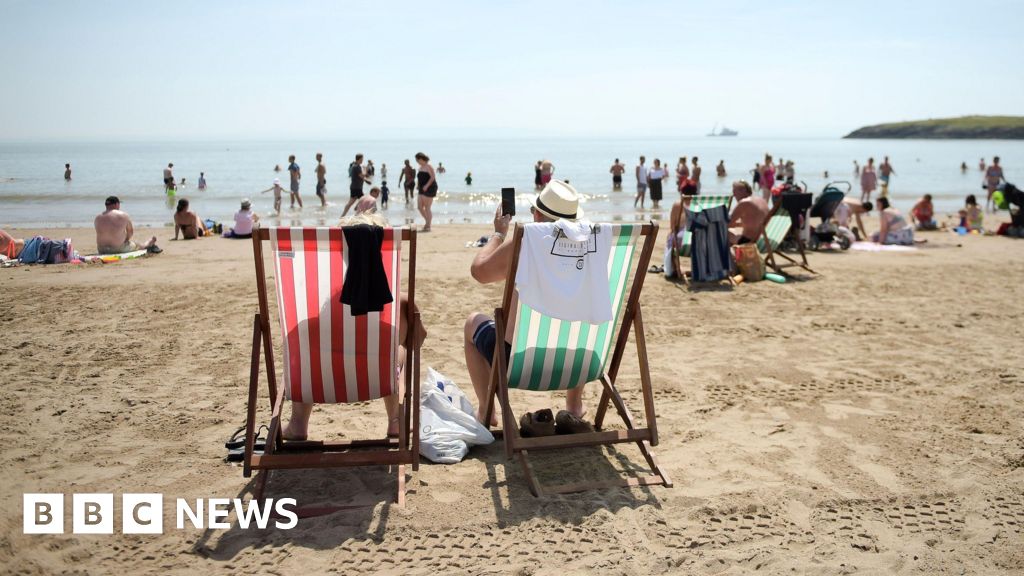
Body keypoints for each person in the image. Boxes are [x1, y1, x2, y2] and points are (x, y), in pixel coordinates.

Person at [282, 209, 427, 440]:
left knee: (302, 344)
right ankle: (396, 420)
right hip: (377, 378)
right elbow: (416, 342)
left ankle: (298, 423)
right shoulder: (399, 303)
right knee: (398, 350)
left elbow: (293, 342)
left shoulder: (319, 306)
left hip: (323, 378)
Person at [463, 180, 590, 426]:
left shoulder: (526, 243)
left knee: (472, 323)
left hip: (521, 364)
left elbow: (479, 271)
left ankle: (487, 411)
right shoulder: (592, 246)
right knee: (577, 327)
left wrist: (499, 234)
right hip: (578, 360)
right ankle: (574, 404)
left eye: (534, 210)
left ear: (539, 216)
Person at [727, 180, 769, 245]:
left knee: (720, 232)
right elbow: (754, 222)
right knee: (734, 231)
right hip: (762, 238)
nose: (734, 195)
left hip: (748, 241)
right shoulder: (761, 200)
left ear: (743, 191)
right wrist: (736, 224)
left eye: (735, 192)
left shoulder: (744, 202)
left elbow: (728, 224)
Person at [341, 153, 370, 217]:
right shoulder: (356, 166)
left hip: (356, 187)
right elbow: (362, 175)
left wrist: (366, 180)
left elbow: (360, 177)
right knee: (364, 200)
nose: (362, 160)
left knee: (351, 202)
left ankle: (343, 216)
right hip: (356, 188)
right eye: (362, 159)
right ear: (359, 159)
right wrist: (365, 169)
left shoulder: (356, 166)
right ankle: (357, 212)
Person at [416, 152, 438, 232]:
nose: (417, 161)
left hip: (430, 188)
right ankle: (427, 222)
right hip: (421, 188)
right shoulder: (420, 168)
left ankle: (428, 225)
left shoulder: (429, 166)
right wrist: (417, 185)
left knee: (427, 207)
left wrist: (426, 186)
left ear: (421, 159)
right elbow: (420, 178)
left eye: (417, 160)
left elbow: (432, 177)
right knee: (419, 207)